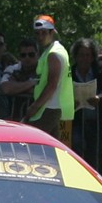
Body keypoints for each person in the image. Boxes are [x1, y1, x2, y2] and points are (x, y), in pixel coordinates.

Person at [24, 14, 72, 143]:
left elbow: (52, 85)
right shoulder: (55, 51)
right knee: (51, 150)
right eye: (37, 33)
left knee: (31, 144)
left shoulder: (53, 54)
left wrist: (34, 107)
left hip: (47, 109)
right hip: (52, 108)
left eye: (44, 33)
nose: (40, 37)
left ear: (52, 32)